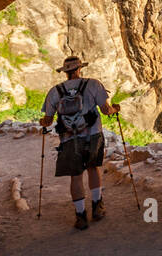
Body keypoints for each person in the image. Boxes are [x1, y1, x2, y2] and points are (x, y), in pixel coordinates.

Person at [40, 56, 121, 231]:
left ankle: (81, 217)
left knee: (75, 176)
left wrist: (43, 122)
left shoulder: (55, 91)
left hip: (69, 139)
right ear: (79, 70)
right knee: (93, 169)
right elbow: (106, 111)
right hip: (92, 135)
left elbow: (47, 119)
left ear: (65, 72)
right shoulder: (93, 84)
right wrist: (116, 109)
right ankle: (97, 207)